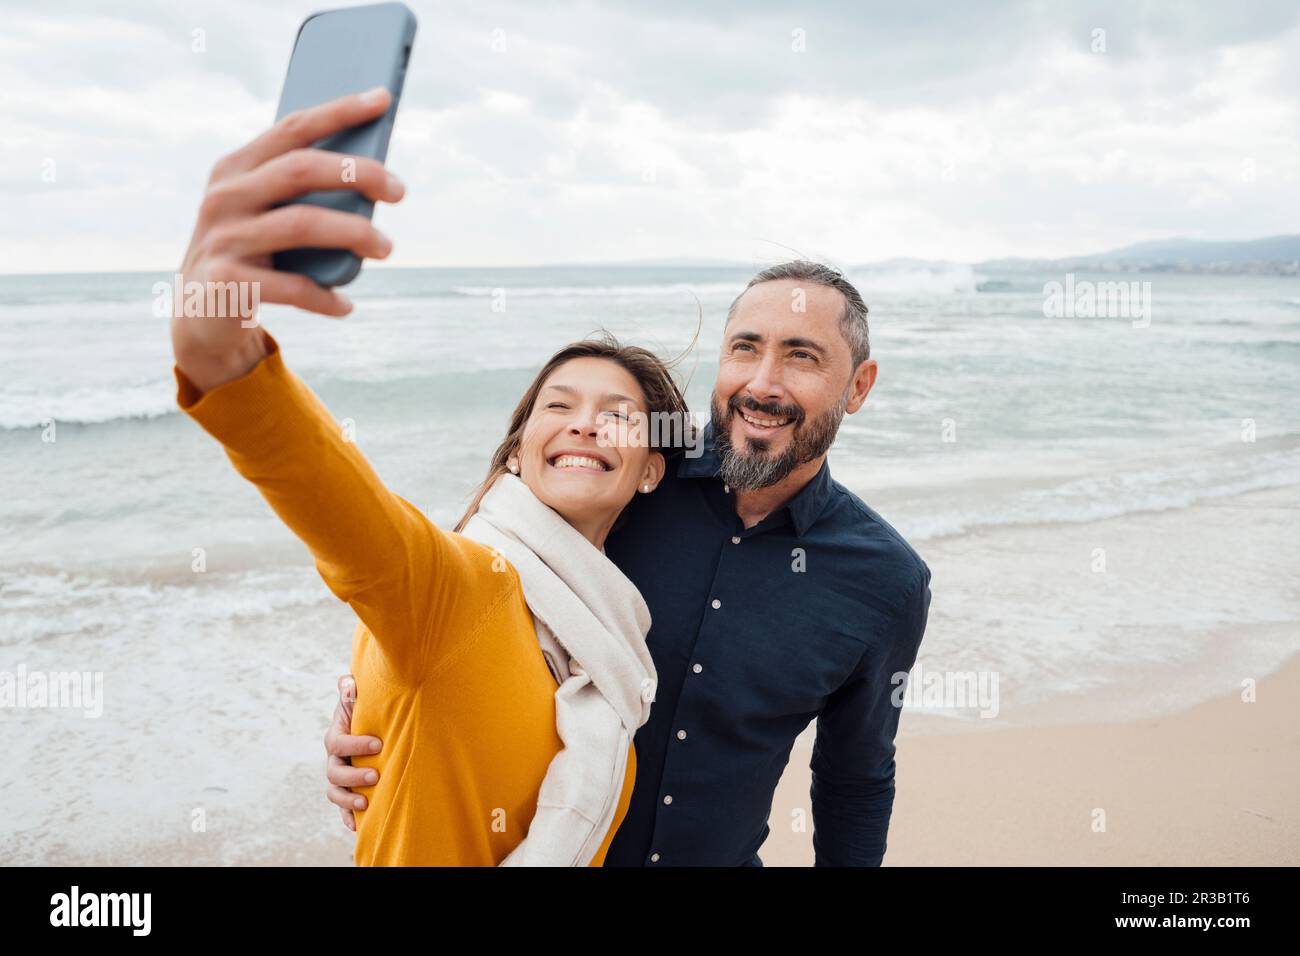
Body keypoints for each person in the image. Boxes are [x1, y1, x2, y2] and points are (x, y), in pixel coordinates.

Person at [171, 87, 696, 865]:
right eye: (559, 405)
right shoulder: (462, 587)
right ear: (517, 452)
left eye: (615, 413)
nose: (584, 422)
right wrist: (221, 353)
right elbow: (338, 503)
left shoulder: (611, 662)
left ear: (651, 470)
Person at [327, 259, 934, 866]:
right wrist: (377, 718)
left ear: (858, 386)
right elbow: (478, 574)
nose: (762, 384)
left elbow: (855, 779)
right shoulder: (624, 478)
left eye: (801, 356)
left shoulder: (886, 583)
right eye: (745, 349)